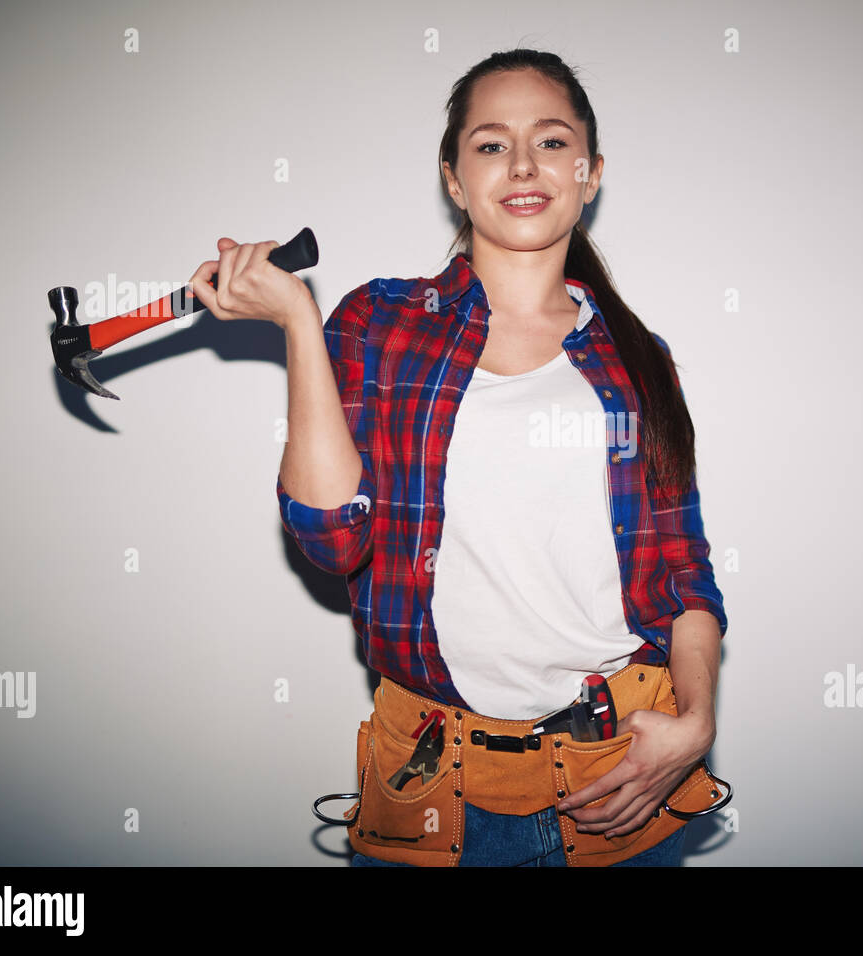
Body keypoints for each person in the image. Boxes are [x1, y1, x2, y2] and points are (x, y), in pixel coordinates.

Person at [186, 48, 728, 866]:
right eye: (489, 144)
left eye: (551, 142)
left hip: (619, 783)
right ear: (452, 177)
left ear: (590, 172)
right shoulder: (379, 324)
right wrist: (299, 322)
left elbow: (682, 570)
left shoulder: (639, 357)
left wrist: (697, 722)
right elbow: (334, 540)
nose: (521, 164)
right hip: (432, 787)